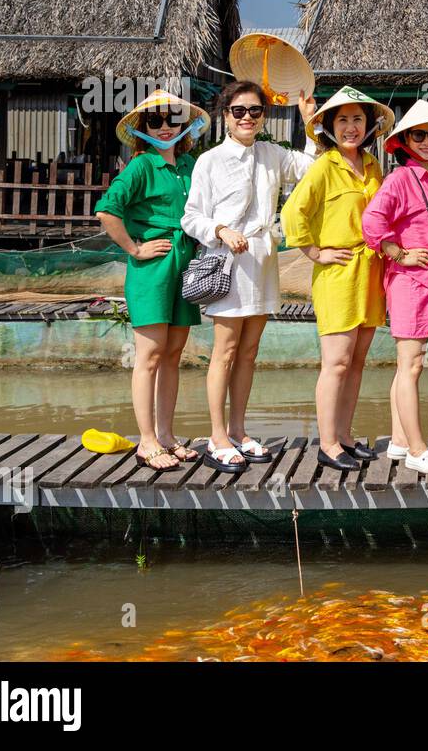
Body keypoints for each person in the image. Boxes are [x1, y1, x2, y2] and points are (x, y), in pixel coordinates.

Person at [180, 81, 317, 473]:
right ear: (225, 115)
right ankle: (217, 435)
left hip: (262, 258)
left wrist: (309, 125)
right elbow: (192, 216)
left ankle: (239, 430)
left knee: (250, 351)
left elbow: (309, 170)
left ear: (263, 116)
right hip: (227, 259)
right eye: (238, 111)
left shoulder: (272, 153)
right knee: (224, 350)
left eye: (254, 111)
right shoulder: (210, 160)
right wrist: (220, 230)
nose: (246, 118)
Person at [94, 90, 210, 470]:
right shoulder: (140, 167)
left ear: (183, 126)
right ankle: (146, 441)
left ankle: (166, 435)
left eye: (172, 120)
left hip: (186, 260)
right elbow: (107, 211)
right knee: (150, 355)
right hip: (153, 266)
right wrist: (135, 248)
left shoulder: (191, 165)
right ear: (143, 129)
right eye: (155, 121)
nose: (164, 127)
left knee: (174, 354)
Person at [282, 87, 394, 470]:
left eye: (357, 119)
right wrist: (314, 252)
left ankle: (345, 435)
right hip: (338, 271)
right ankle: (327, 443)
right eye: (342, 120)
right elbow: (293, 213)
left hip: (370, 268)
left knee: (359, 361)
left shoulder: (373, 165)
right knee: (337, 362)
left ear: (368, 125)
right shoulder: (325, 166)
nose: (350, 127)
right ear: (329, 126)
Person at [362, 99, 428, 475]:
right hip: (409, 280)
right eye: (418, 135)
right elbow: (372, 220)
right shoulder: (400, 179)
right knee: (412, 363)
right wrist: (397, 252)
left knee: (407, 364)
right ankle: (417, 449)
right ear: (405, 140)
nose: (426, 141)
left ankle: (398, 439)